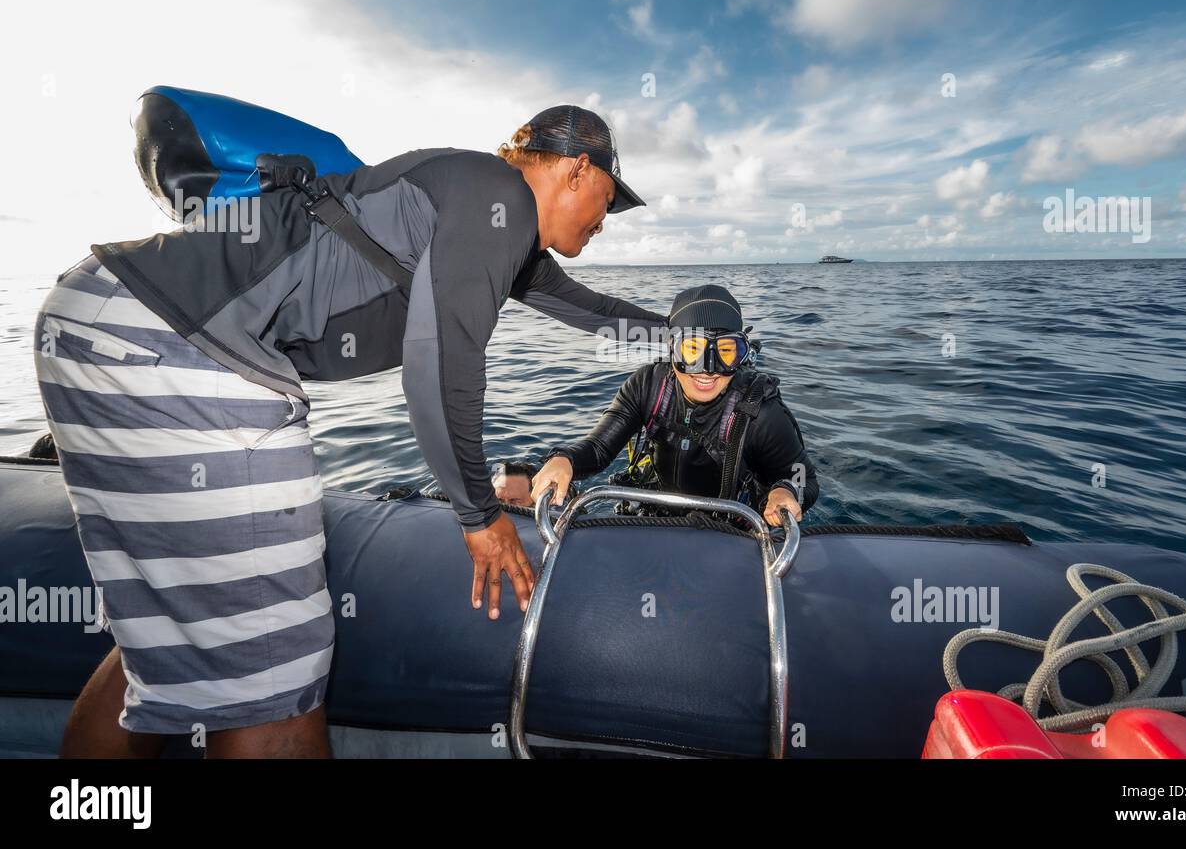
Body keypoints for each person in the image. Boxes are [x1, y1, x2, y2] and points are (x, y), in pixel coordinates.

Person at [32, 104, 665, 758]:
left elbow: (595, 311)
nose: (605, 221)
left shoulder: (481, 210)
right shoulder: (496, 193)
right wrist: (479, 514)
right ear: (576, 168)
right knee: (277, 672)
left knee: (164, 647)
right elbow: (439, 360)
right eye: (608, 199)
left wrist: (686, 335)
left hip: (99, 316)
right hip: (182, 347)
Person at [513, 285, 818, 525]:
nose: (708, 369)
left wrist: (786, 491)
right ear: (672, 349)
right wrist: (563, 459)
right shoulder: (648, 385)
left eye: (725, 352)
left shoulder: (759, 412)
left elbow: (804, 477)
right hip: (655, 511)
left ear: (741, 353)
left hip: (728, 529)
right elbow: (598, 448)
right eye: (692, 350)